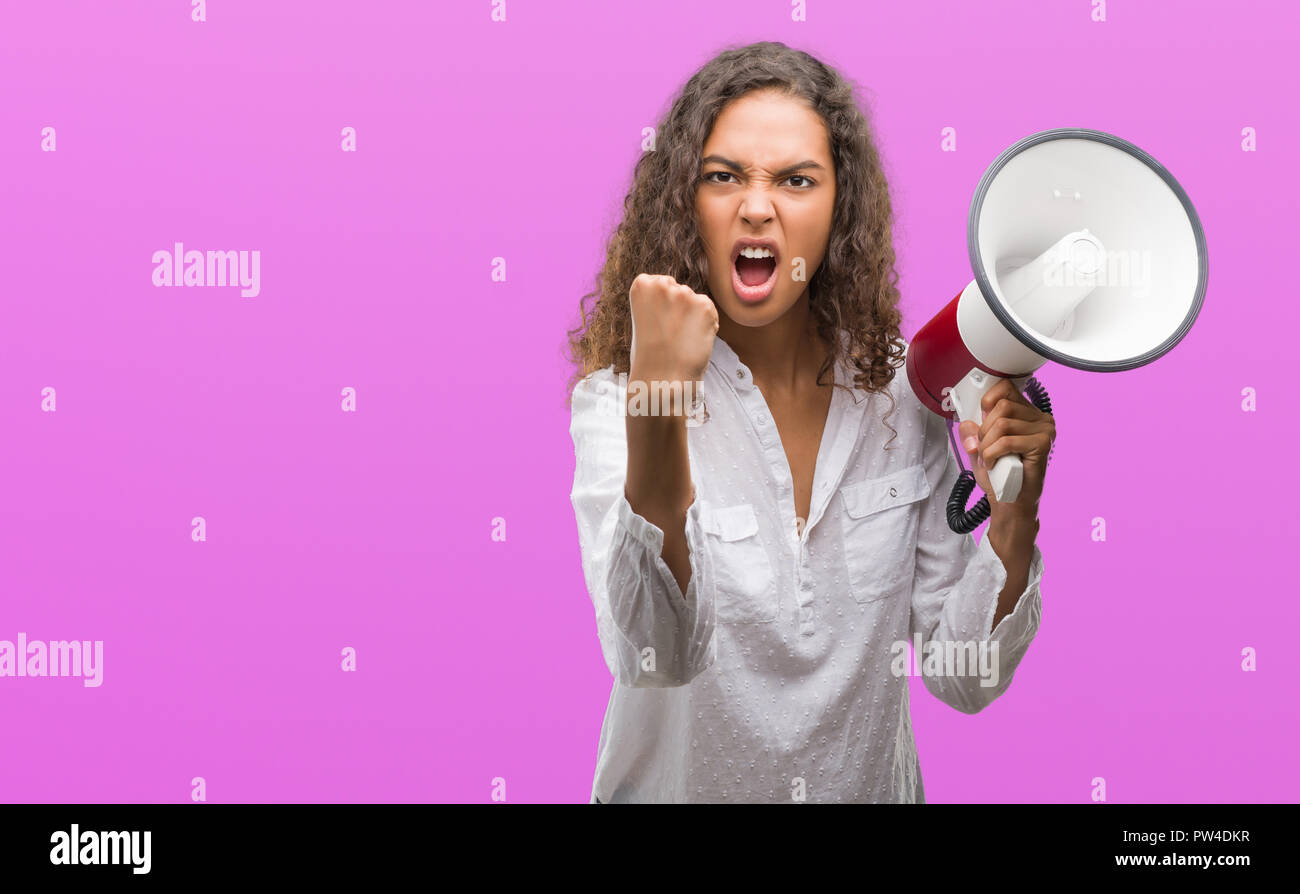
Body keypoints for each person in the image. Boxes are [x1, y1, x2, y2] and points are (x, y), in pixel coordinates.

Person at [565, 41, 1055, 803]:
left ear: (840, 210)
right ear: (685, 202)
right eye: (723, 176)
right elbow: (655, 654)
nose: (756, 206)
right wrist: (660, 400)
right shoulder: (615, 399)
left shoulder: (906, 392)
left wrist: (1011, 516)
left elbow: (964, 676)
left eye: (796, 180)